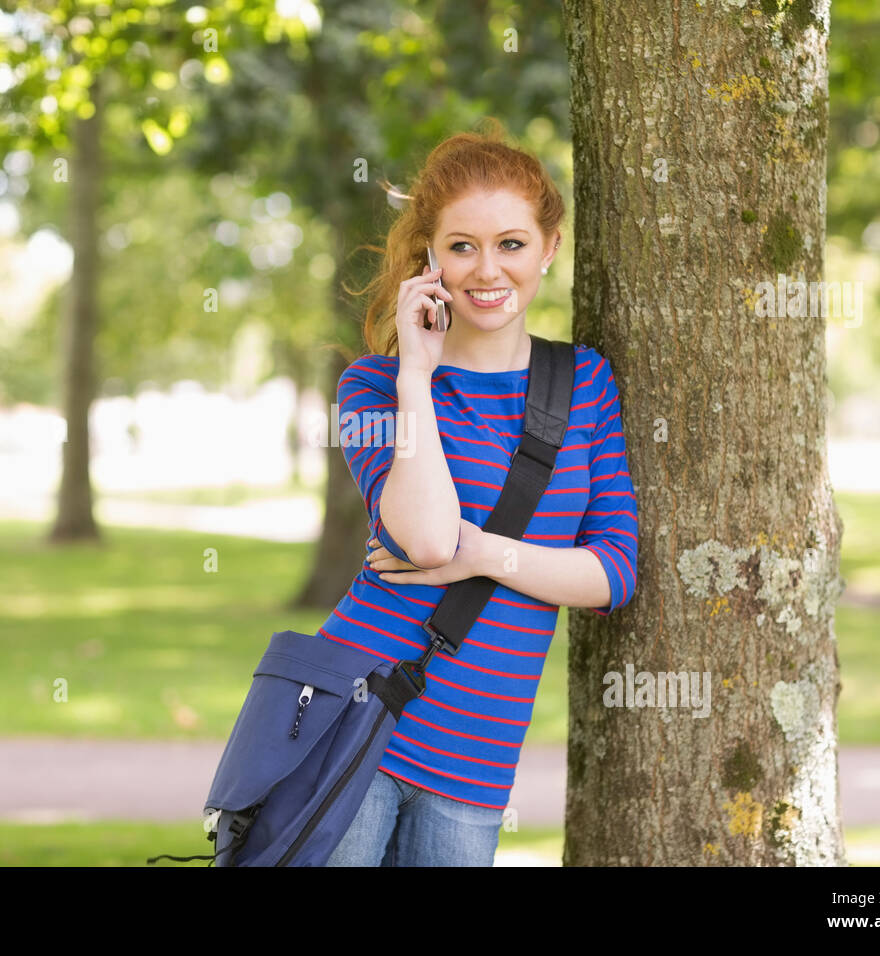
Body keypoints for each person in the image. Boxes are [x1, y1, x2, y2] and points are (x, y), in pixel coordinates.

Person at [316, 121, 638, 866]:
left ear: (549, 248)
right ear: (431, 257)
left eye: (511, 244)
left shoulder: (583, 382)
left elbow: (613, 575)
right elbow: (427, 541)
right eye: (461, 245)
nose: (486, 269)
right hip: (353, 725)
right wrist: (416, 375)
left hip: (476, 766)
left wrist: (485, 555)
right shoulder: (375, 388)